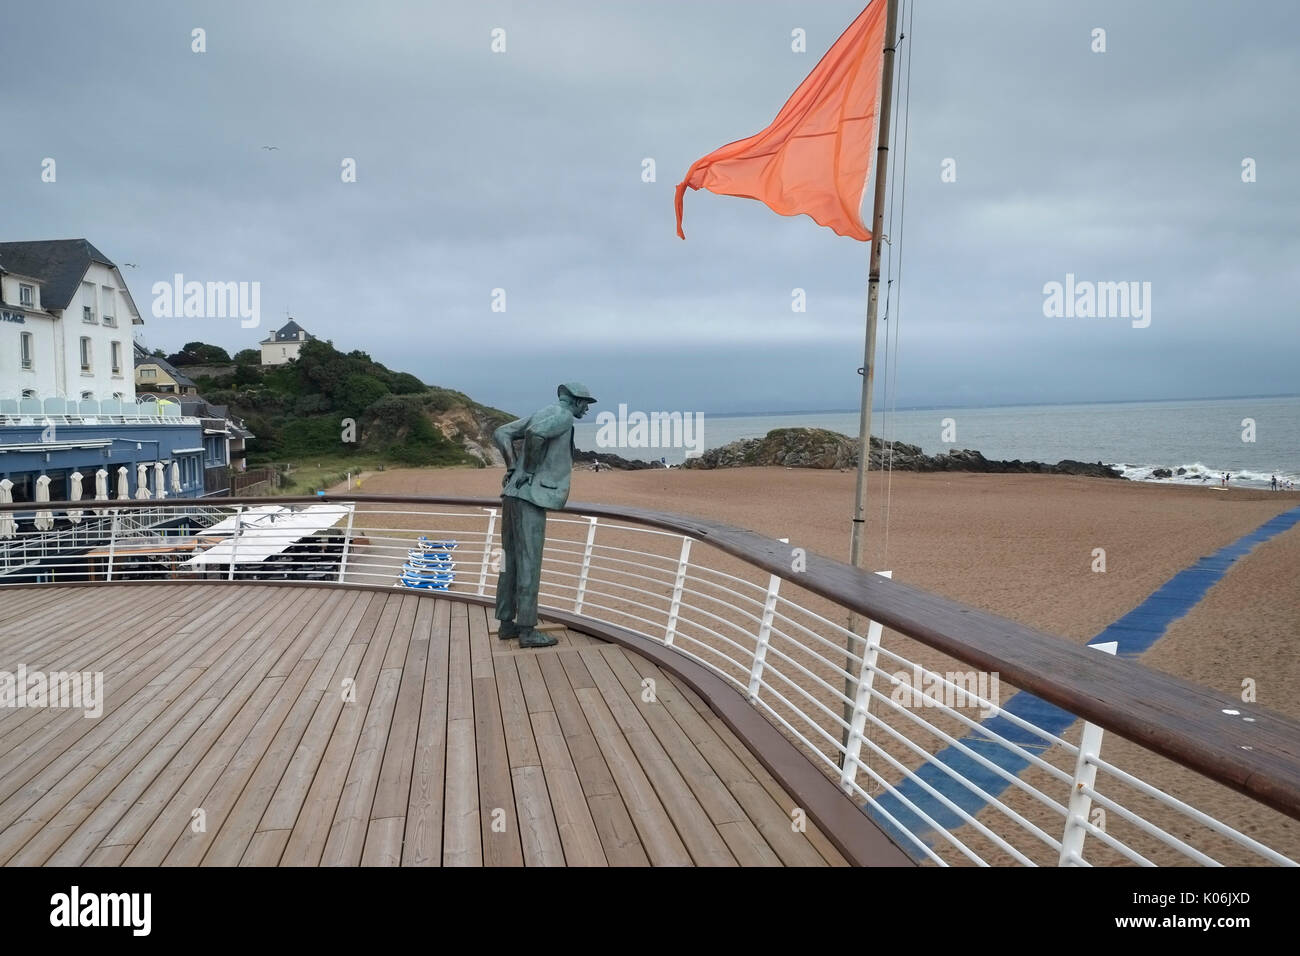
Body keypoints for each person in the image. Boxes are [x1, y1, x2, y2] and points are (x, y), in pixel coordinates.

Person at [492, 382, 597, 648]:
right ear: (575, 401)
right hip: (529, 497)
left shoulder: (543, 411)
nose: (587, 408)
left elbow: (501, 432)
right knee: (529, 561)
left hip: (512, 495)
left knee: (509, 559)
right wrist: (528, 470)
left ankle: (506, 623)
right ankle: (527, 629)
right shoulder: (562, 416)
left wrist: (512, 466)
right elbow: (537, 435)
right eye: (586, 403)